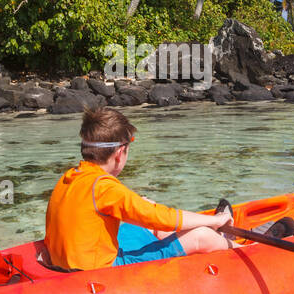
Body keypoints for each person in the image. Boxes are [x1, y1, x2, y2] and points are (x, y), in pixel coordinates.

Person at [45, 107, 233, 270]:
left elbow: (148, 214)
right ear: (120, 153)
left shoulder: (70, 176)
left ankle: (217, 236)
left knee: (146, 210)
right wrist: (213, 220)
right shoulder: (104, 188)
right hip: (99, 272)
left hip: (69, 265)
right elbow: (161, 217)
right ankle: (247, 252)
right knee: (201, 235)